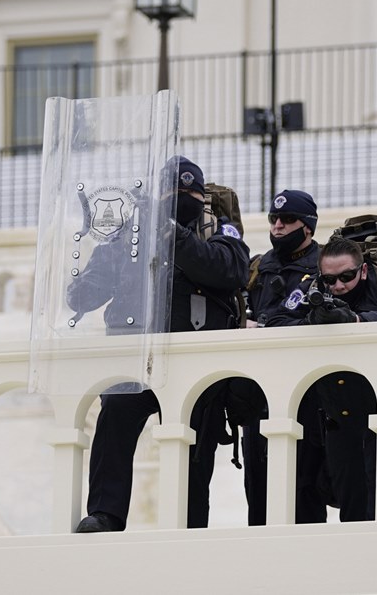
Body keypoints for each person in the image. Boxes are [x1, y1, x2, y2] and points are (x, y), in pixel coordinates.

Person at [73, 156, 250, 532]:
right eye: (170, 192)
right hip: (138, 357)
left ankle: (187, 529)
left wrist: (172, 233)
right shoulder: (132, 232)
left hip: (196, 362)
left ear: (201, 197)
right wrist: (79, 279)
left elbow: (230, 269)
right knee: (114, 418)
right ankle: (105, 513)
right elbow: (89, 288)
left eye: (188, 193)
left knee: (194, 455)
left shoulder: (216, 227)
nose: (178, 199)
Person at [263, 236, 377, 521]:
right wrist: (311, 323)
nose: (338, 286)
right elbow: (276, 322)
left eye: (346, 277)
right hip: (336, 414)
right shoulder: (313, 288)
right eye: (330, 279)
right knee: (348, 503)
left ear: (363, 271)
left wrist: (356, 321)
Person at [241, 189, 324, 525]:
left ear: (308, 227)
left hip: (307, 393)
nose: (278, 226)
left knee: (305, 487)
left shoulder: (326, 265)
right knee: (257, 486)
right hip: (257, 390)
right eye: (274, 219)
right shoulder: (257, 267)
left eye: (288, 220)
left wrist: (268, 327)